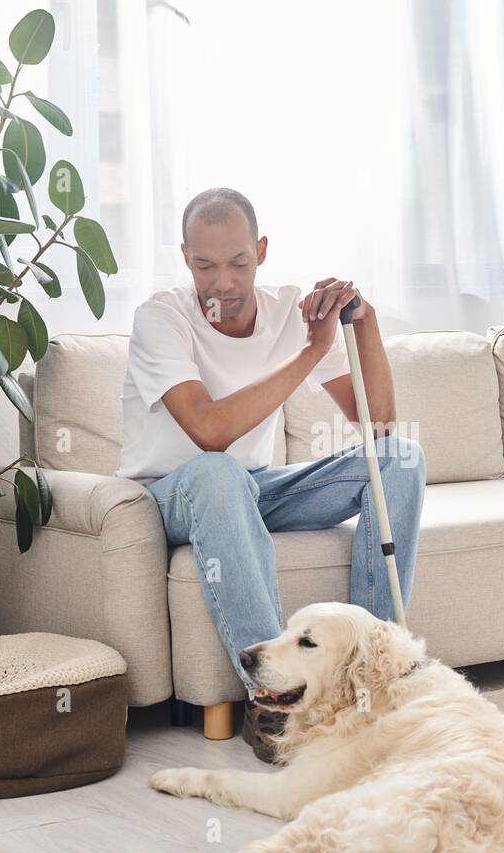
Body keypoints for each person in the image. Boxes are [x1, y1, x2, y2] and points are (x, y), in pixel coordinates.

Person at [114, 187, 427, 760]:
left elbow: (377, 423)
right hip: (172, 495)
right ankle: (271, 699)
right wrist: (310, 353)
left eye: (238, 262)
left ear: (260, 251)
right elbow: (210, 431)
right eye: (205, 265)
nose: (224, 283)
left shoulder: (288, 311)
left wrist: (363, 321)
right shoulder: (161, 317)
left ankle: (372, 674)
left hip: (254, 488)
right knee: (215, 471)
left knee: (400, 457)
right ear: (185, 258)